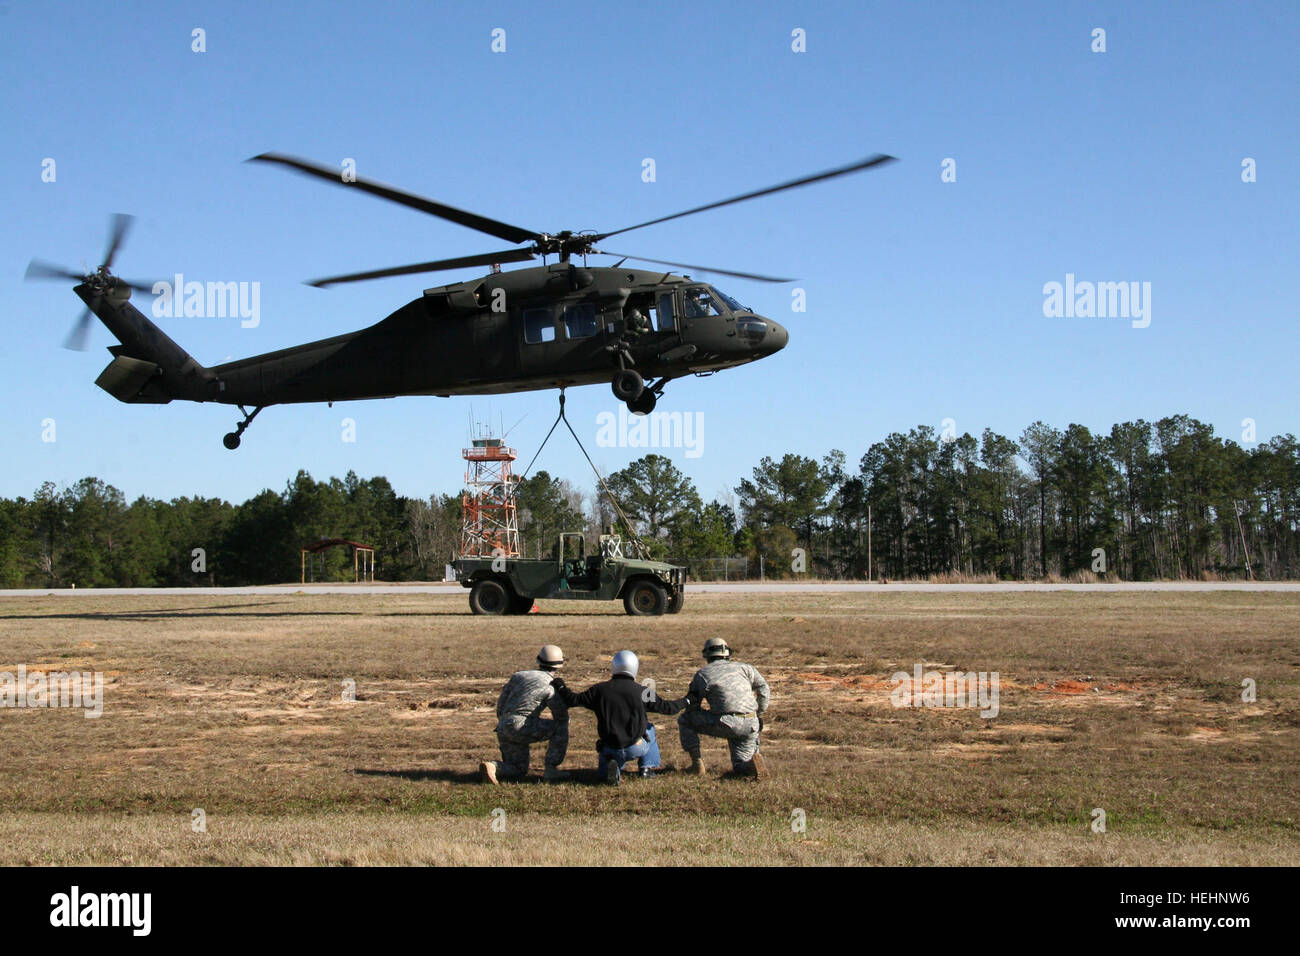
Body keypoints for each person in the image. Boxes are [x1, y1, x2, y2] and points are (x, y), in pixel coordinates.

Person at [551, 650, 692, 785]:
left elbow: (572, 700)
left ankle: (611, 767)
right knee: (649, 728)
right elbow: (668, 708)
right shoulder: (643, 691)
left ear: (614, 666)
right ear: (634, 668)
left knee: (604, 771)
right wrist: (687, 700)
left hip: (609, 747)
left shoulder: (599, 690)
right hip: (635, 747)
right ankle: (646, 769)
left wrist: (560, 686)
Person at [678, 637, 771, 779]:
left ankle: (697, 765)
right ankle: (752, 765)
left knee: (685, 719)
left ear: (706, 655)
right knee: (740, 766)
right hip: (751, 723)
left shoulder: (703, 674)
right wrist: (758, 713)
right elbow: (764, 688)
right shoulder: (746, 668)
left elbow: (692, 706)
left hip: (726, 722)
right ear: (728, 653)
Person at [480, 644, 569, 784]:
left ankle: (493, 766)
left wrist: (505, 721)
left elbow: (501, 702)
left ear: (539, 661)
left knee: (519, 769)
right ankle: (551, 770)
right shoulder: (551, 685)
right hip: (521, 725)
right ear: (559, 665)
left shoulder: (518, 676)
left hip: (503, 725)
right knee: (561, 726)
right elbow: (561, 716)